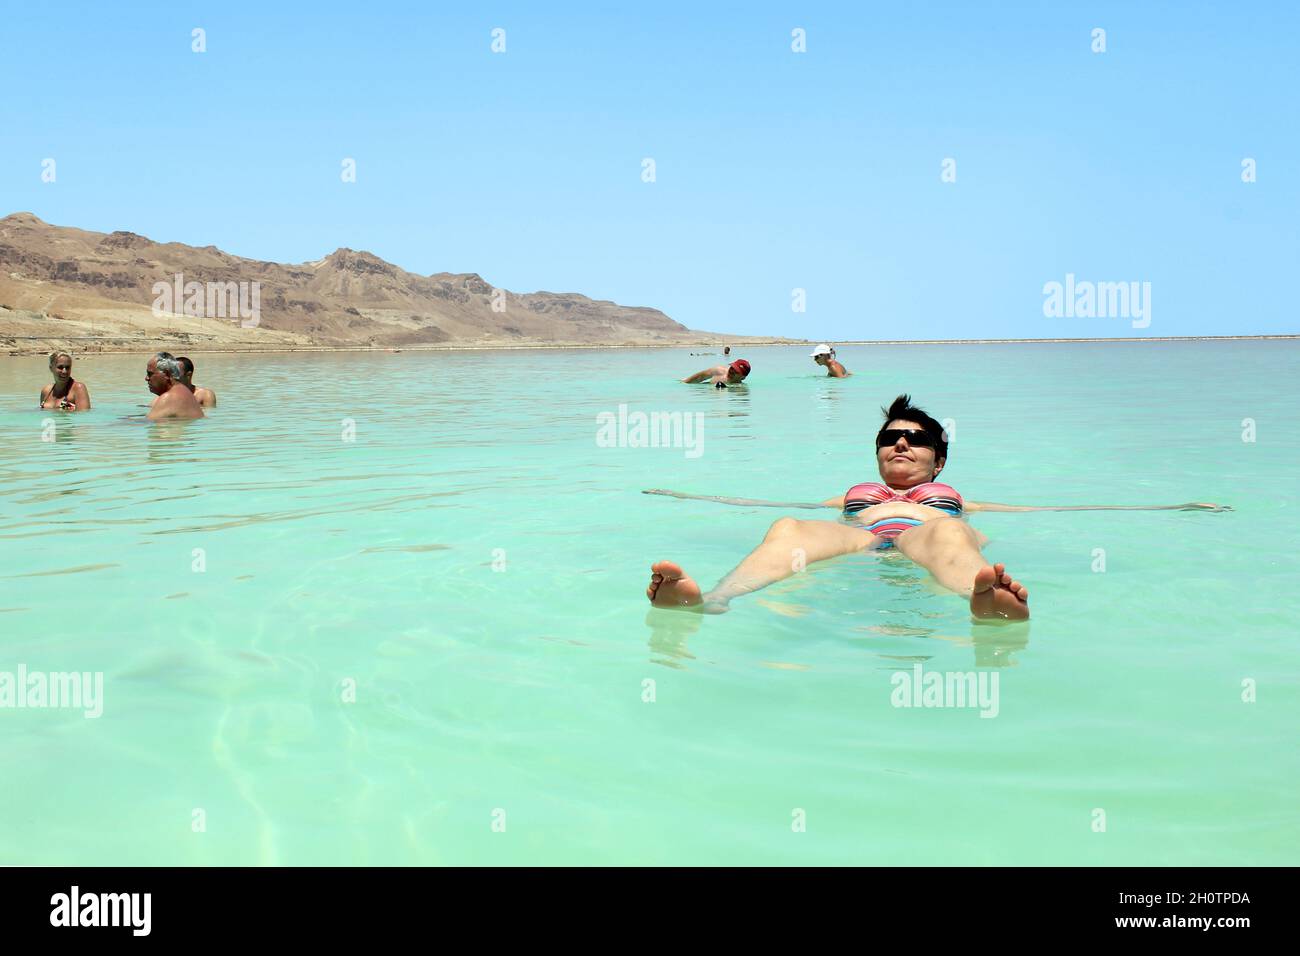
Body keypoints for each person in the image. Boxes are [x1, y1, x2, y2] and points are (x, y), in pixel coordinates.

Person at [644, 394, 1230, 621]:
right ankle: (709, 602)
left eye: (915, 439)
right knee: (788, 526)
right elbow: (759, 500)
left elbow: (1053, 510)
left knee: (951, 536)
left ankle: (982, 599)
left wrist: (1174, 506)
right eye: (890, 438)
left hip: (924, 536)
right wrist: (678, 492)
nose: (900, 443)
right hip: (861, 538)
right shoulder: (850, 497)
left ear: (938, 461)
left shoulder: (955, 499)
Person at [145, 352, 205, 420]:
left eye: (150, 374)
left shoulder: (169, 398)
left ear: (167, 374)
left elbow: (148, 423)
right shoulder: (185, 392)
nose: (146, 378)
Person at [683, 359, 750, 387]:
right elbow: (699, 377)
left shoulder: (740, 389)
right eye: (732, 368)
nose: (732, 371)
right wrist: (684, 382)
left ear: (743, 377)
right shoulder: (718, 371)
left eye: (736, 371)